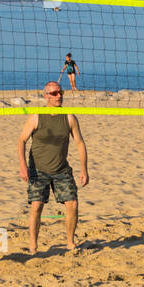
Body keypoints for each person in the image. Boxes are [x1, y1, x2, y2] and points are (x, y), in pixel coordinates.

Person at [17, 82, 89, 253]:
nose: (59, 96)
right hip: (38, 169)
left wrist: (84, 169)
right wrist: (23, 166)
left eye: (61, 92)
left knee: (72, 203)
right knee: (37, 205)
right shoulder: (36, 116)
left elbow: (80, 143)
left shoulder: (69, 117)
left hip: (61, 169)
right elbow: (21, 141)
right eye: (55, 93)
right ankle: (33, 245)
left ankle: (70, 243)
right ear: (46, 96)